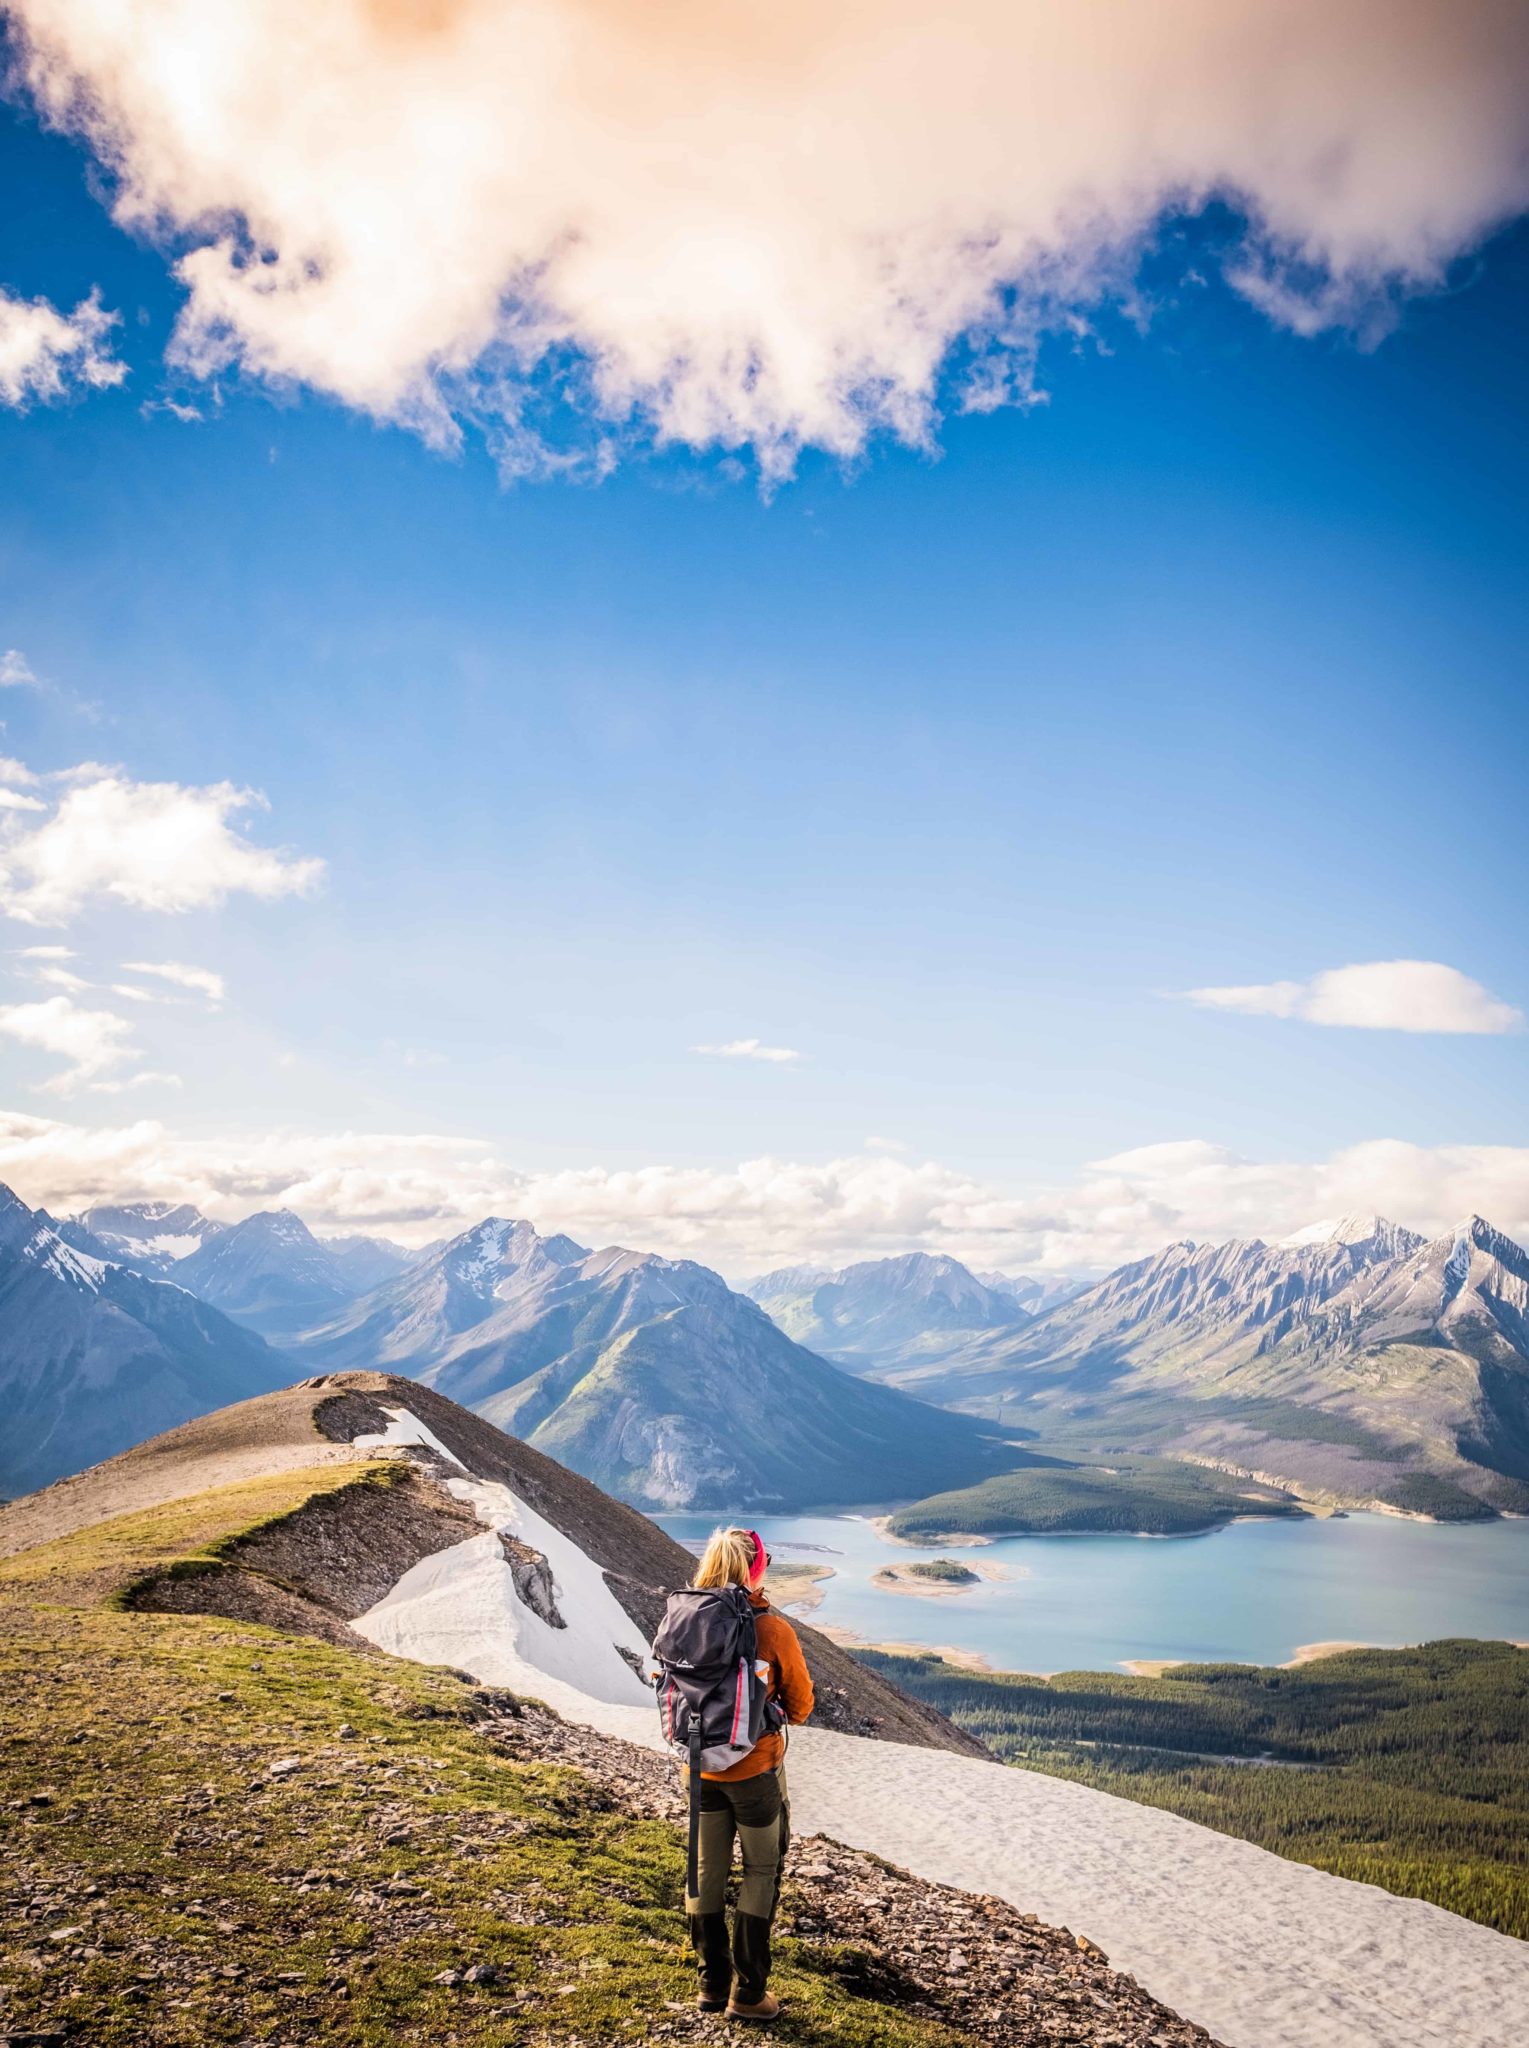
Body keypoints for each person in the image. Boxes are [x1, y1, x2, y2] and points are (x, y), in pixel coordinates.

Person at [686, 1525, 814, 2025]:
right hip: (755, 1771)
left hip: (698, 1770)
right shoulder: (771, 1629)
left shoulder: (686, 1616)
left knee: (705, 1871)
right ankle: (750, 1992)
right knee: (761, 1869)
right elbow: (801, 1706)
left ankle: (711, 1986)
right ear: (756, 1568)